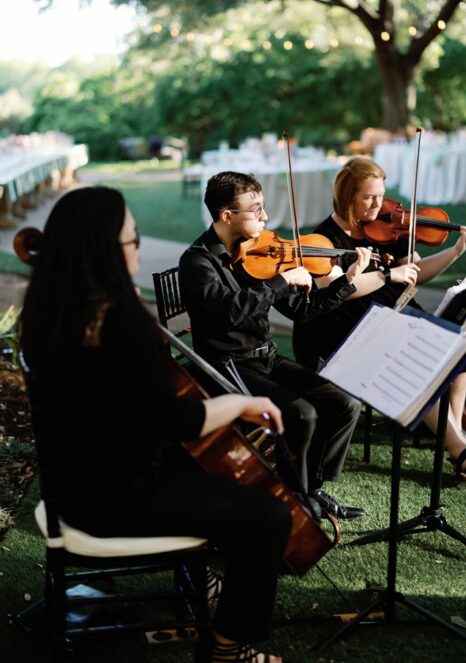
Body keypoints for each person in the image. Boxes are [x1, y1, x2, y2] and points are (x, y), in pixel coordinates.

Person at [21, 187, 291, 663]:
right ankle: (228, 650)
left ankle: (199, 580)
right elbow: (173, 420)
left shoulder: (52, 311)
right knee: (269, 516)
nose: (139, 248)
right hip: (112, 498)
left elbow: (121, 410)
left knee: (202, 472)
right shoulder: (119, 321)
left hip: (72, 485)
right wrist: (238, 405)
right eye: (133, 239)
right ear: (105, 251)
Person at [290, 158, 466, 481]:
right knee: (410, 360)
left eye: (381, 195)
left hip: (396, 313)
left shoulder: (387, 227)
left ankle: (455, 438)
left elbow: (417, 273)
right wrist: (388, 275)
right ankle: (460, 448)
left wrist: (455, 251)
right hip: (349, 326)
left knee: (458, 350)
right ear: (347, 198)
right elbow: (338, 291)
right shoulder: (325, 239)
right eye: (368, 197)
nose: (378, 205)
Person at [179, 171, 369, 520]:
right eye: (256, 209)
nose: (265, 217)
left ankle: (310, 490)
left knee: (344, 403)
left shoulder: (260, 254)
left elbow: (303, 311)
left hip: (265, 358)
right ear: (227, 216)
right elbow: (228, 312)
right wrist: (281, 281)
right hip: (227, 366)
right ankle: (293, 497)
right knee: (302, 413)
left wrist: (347, 282)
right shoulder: (197, 261)